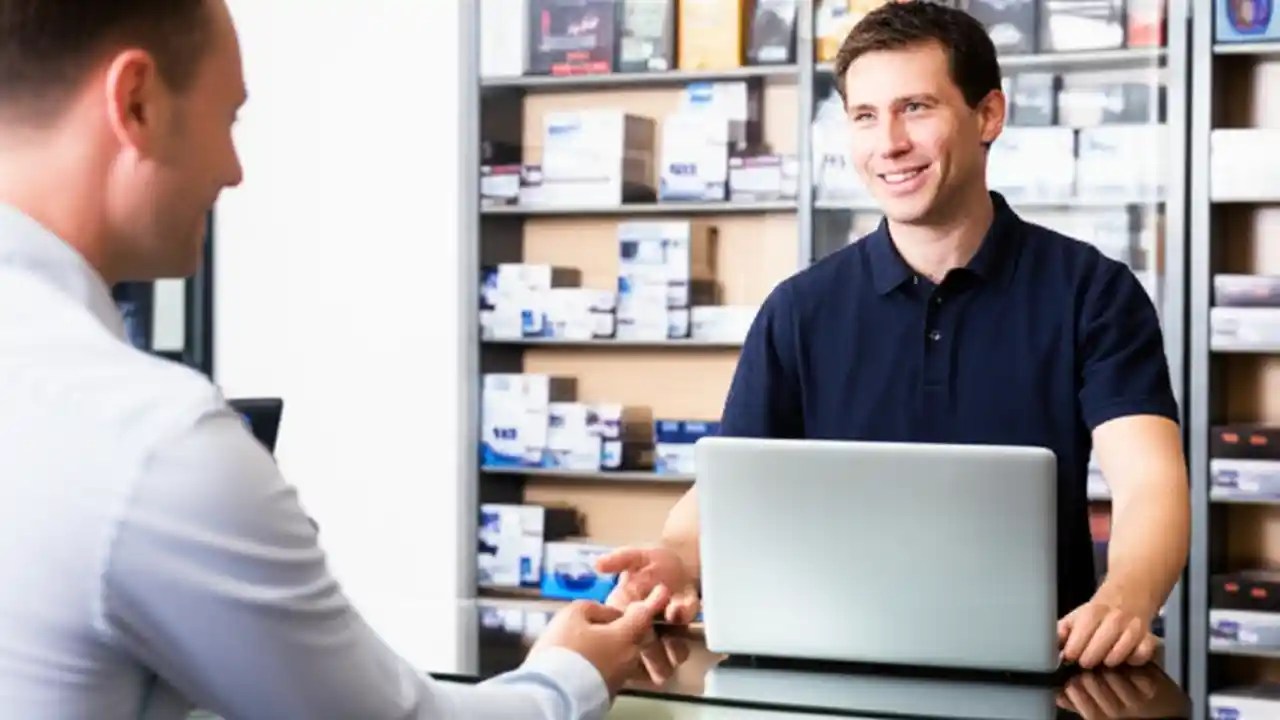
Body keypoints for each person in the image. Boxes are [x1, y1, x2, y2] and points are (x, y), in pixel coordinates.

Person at [0, 1, 664, 718]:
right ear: (136, 102)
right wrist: (572, 673)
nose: (233, 171)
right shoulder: (150, 442)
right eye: (229, 120)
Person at [597, 0, 1190, 672]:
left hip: (1037, 677)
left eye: (916, 107)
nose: (890, 143)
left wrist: (1126, 596)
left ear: (988, 115)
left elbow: (1149, 483)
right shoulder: (800, 310)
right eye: (865, 116)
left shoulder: (1092, 292)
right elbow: (725, 490)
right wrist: (677, 560)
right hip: (825, 672)